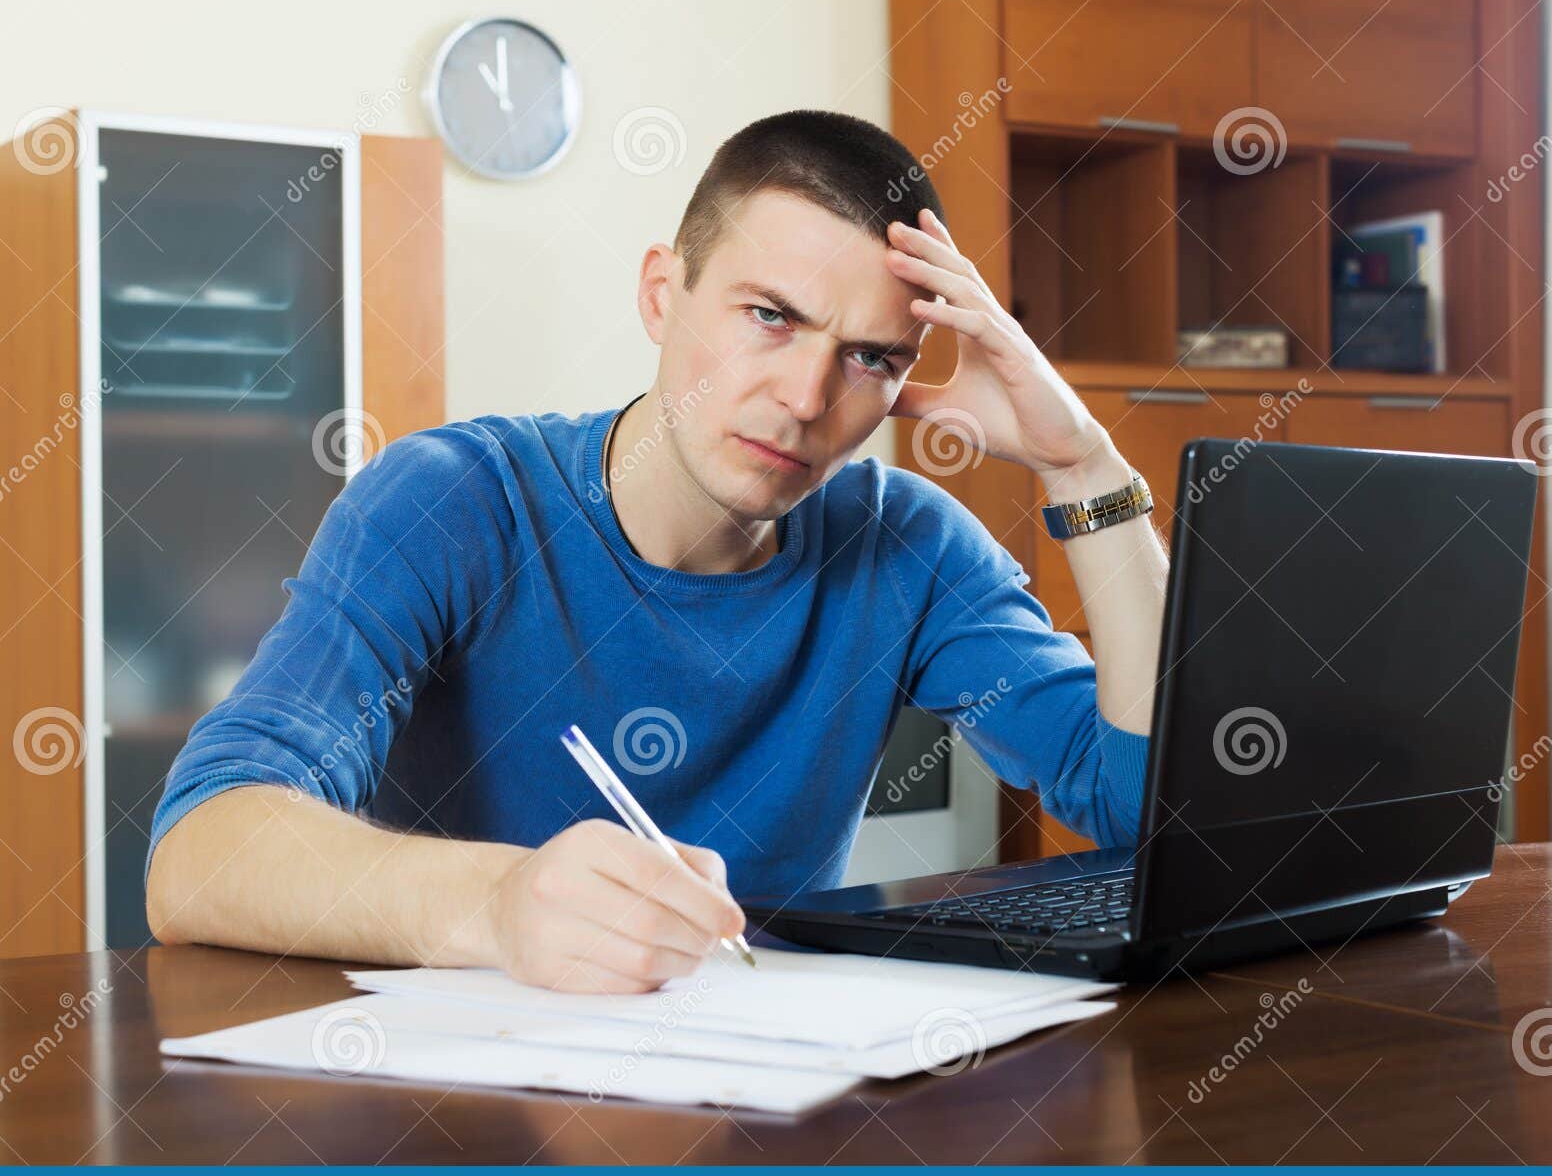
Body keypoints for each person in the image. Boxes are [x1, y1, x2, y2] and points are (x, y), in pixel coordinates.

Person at [145, 110, 1169, 994]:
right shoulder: (453, 501)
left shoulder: (909, 544)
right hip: (464, 1105)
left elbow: (1146, 810)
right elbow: (200, 850)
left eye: (869, 358)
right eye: (770, 317)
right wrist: (498, 903)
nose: (806, 398)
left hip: (767, 1094)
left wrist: (1083, 465)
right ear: (660, 293)